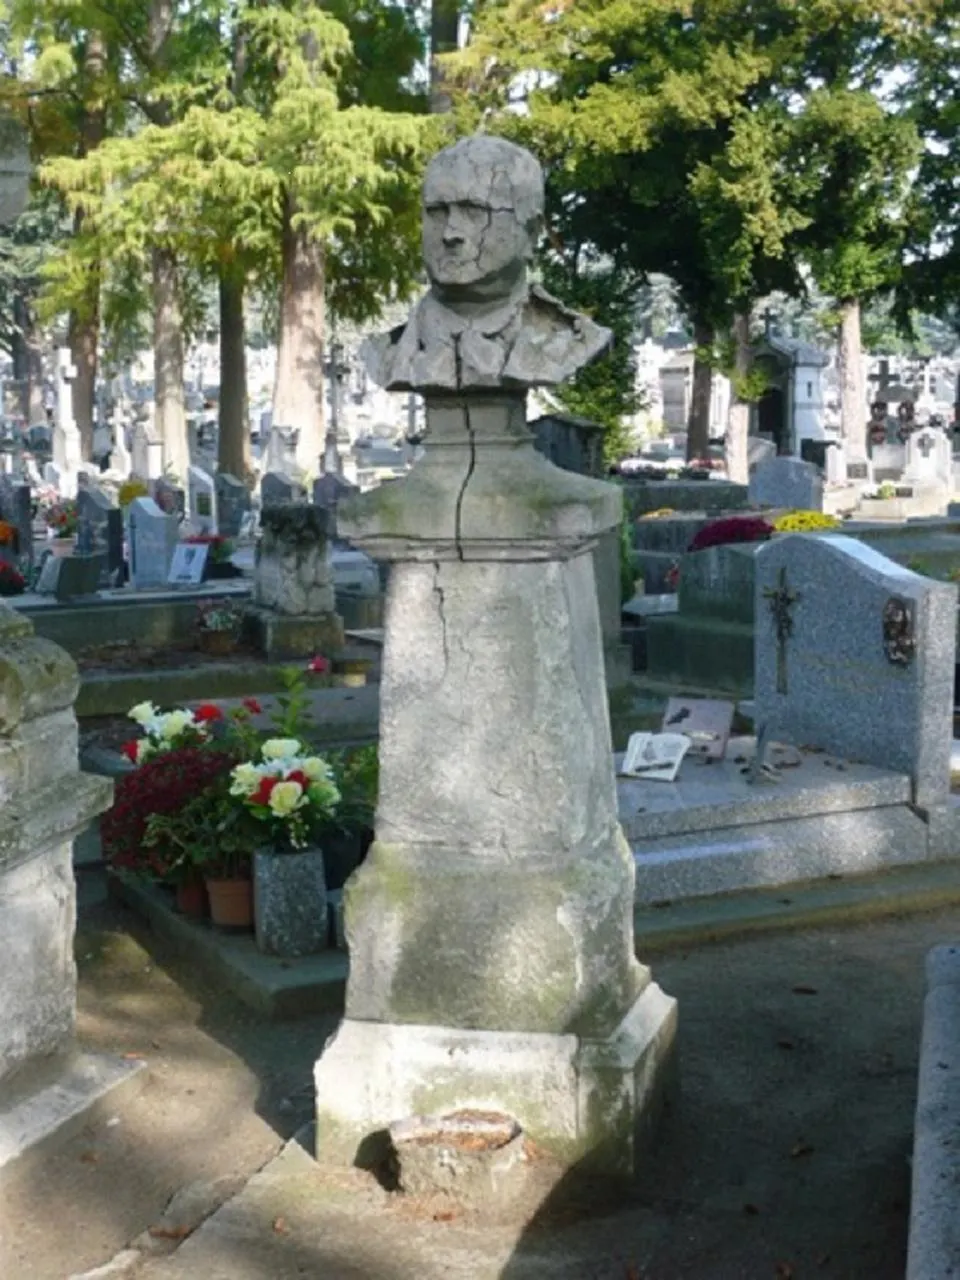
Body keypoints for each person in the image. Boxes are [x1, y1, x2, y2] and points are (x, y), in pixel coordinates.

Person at [363, 135, 610, 392]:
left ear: (532, 232)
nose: (450, 233)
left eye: (474, 211)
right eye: (437, 211)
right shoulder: (386, 351)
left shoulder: (572, 339)